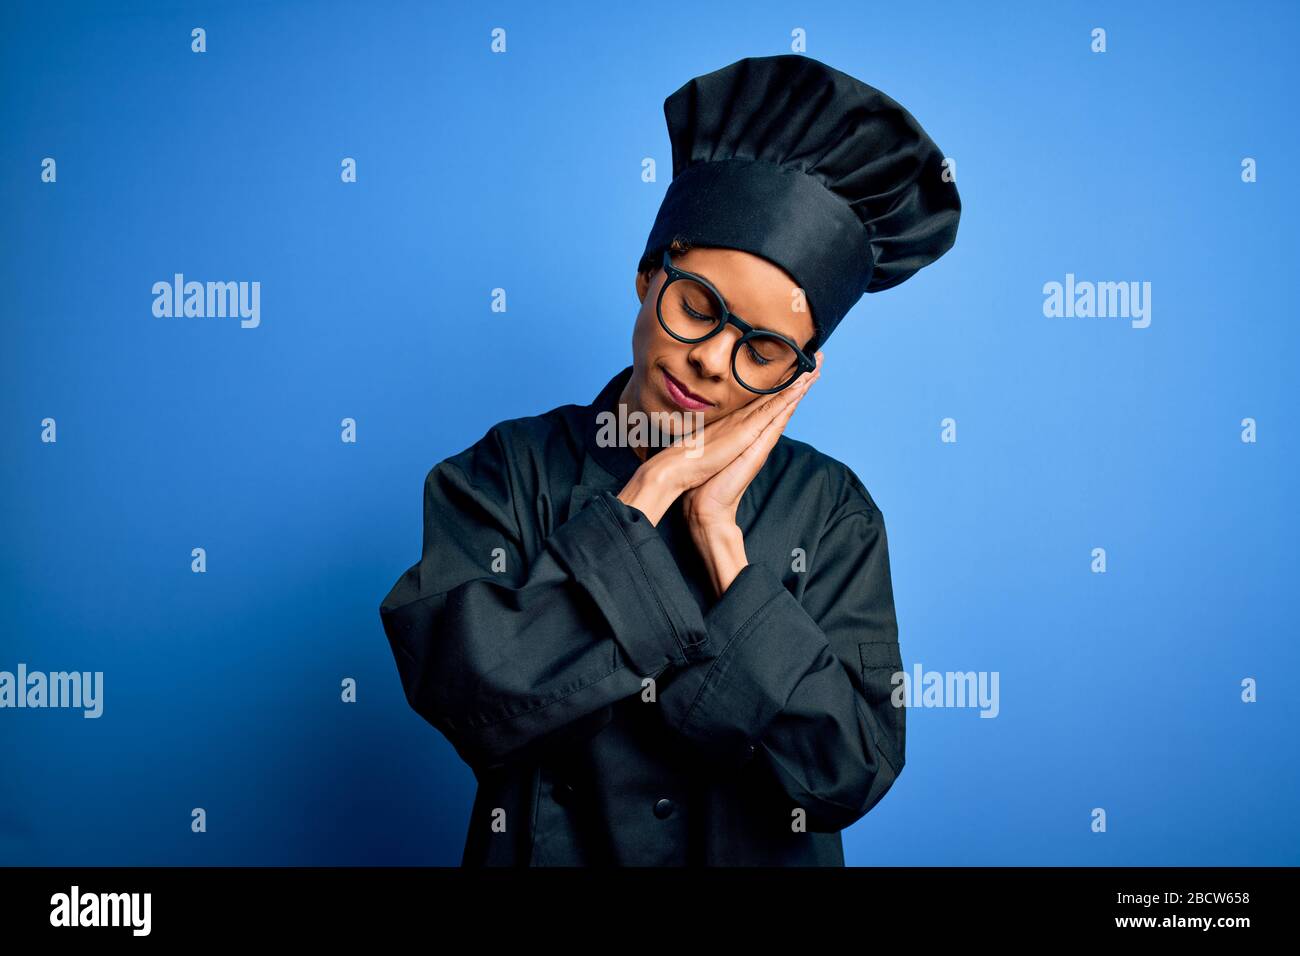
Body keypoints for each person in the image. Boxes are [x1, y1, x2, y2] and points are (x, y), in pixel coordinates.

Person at [379, 53, 961, 865]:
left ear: (798, 372)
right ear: (650, 272)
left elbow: (846, 774)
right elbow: (471, 700)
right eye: (698, 308)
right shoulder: (503, 470)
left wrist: (721, 539)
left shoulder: (832, 511)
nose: (713, 362)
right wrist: (650, 491)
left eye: (762, 349)